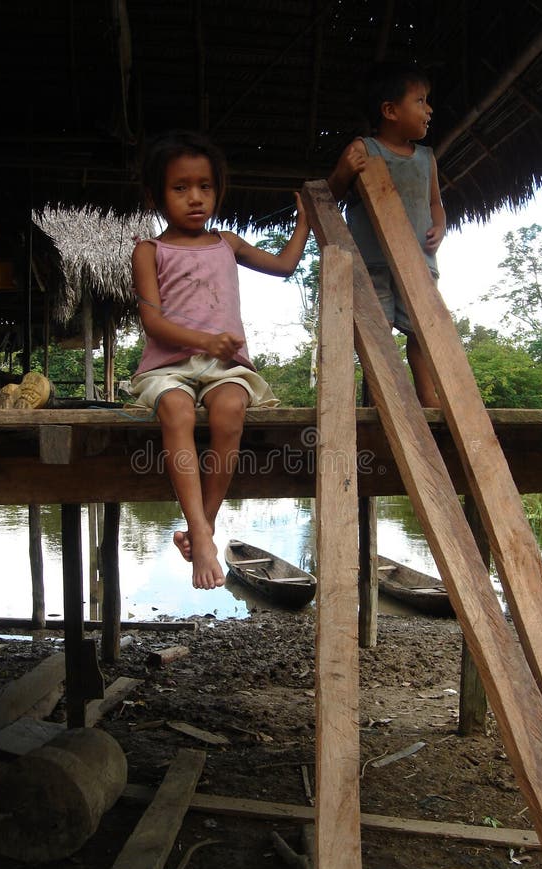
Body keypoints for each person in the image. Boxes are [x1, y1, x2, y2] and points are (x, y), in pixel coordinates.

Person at [130, 130, 310, 590]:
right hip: (167, 367)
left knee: (231, 409)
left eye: (205, 187)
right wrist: (206, 341)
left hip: (224, 369)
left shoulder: (226, 244)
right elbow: (153, 324)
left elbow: (285, 266)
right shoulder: (149, 251)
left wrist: (305, 225)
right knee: (177, 409)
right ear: (155, 195)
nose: (195, 198)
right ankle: (203, 535)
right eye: (180, 187)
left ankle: (201, 530)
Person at [327, 60, 445, 407]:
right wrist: (343, 172)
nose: (429, 109)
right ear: (390, 110)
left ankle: (427, 394)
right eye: (421, 100)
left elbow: (436, 203)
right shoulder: (364, 149)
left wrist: (441, 226)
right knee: (377, 330)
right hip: (373, 263)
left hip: (419, 263)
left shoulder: (427, 157)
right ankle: (387, 395)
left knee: (422, 329)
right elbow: (329, 196)